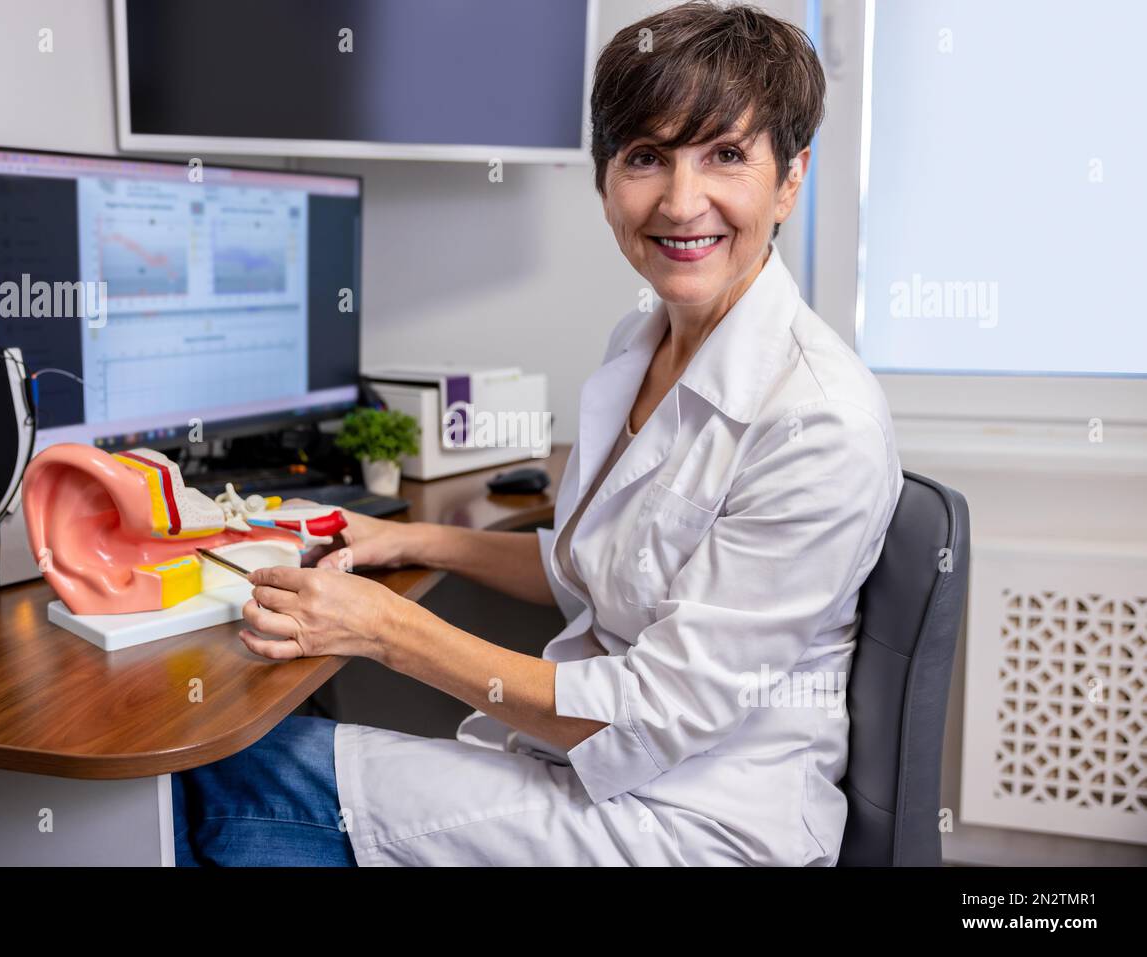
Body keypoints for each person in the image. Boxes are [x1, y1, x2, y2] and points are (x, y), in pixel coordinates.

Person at [173, 0, 903, 867]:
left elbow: (651, 712)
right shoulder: (644, 344)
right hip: (610, 774)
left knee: (224, 774)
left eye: (727, 156)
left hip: (696, 822)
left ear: (790, 179)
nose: (680, 199)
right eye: (645, 156)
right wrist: (411, 537)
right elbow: (595, 567)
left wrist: (385, 631)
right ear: (605, 181)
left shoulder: (818, 420)